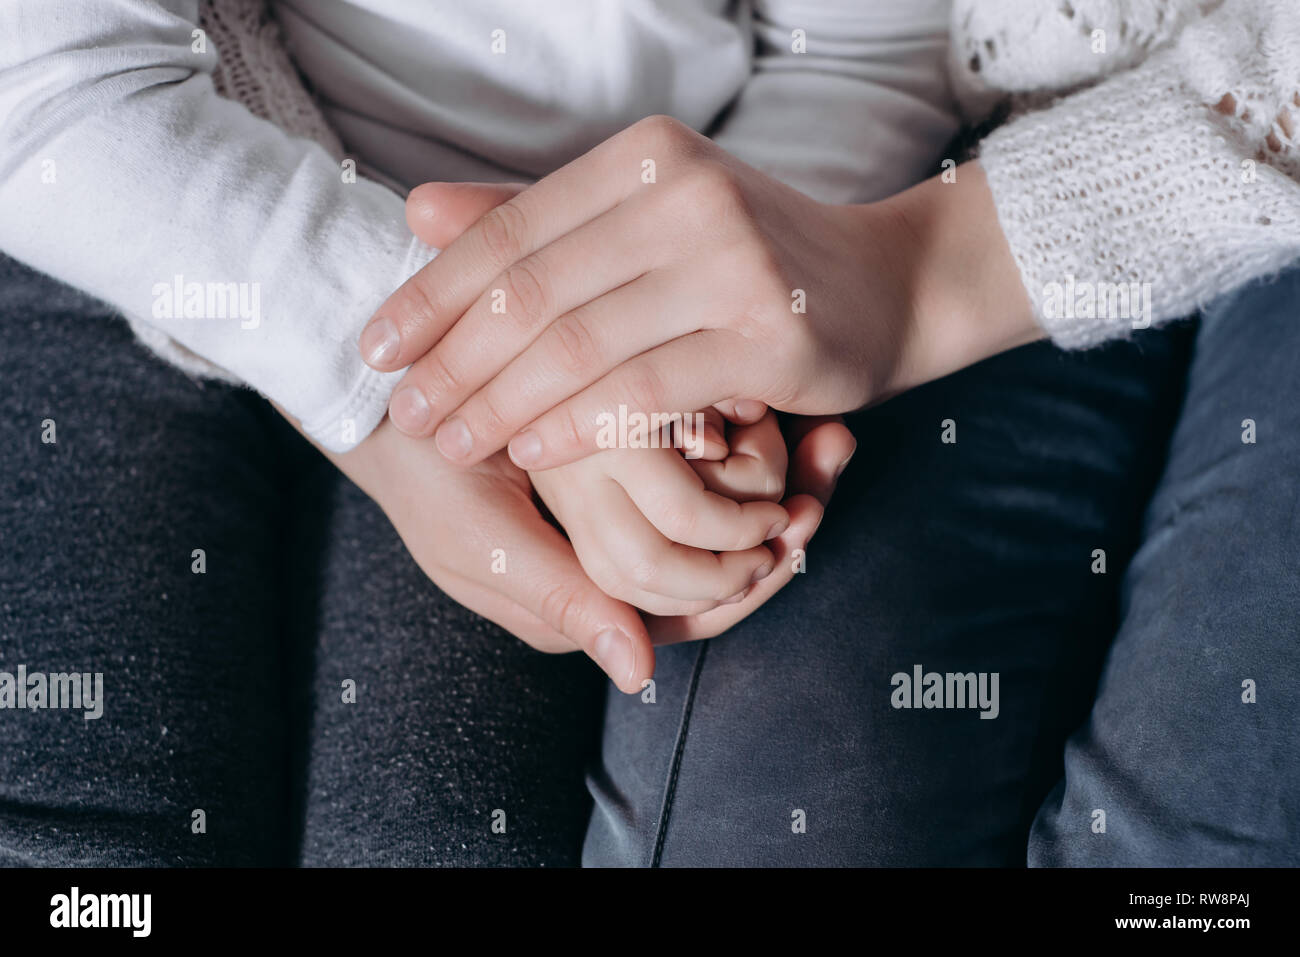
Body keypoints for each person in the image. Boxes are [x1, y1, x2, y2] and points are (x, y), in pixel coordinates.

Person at [0, 0, 1296, 866]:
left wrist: (673, 331)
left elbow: (856, 50)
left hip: (627, 270)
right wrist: (452, 380)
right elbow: (54, 84)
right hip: (195, 206)